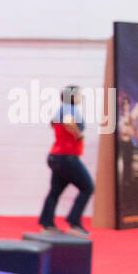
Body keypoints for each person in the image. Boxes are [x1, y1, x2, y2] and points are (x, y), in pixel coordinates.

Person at [37, 85, 93, 236]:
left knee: (55, 191)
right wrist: (78, 135)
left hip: (56, 156)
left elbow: (53, 124)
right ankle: (74, 222)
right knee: (87, 187)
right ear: (72, 97)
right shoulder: (69, 109)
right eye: (79, 95)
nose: (81, 97)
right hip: (67, 158)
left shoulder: (61, 109)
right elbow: (68, 122)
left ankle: (47, 224)